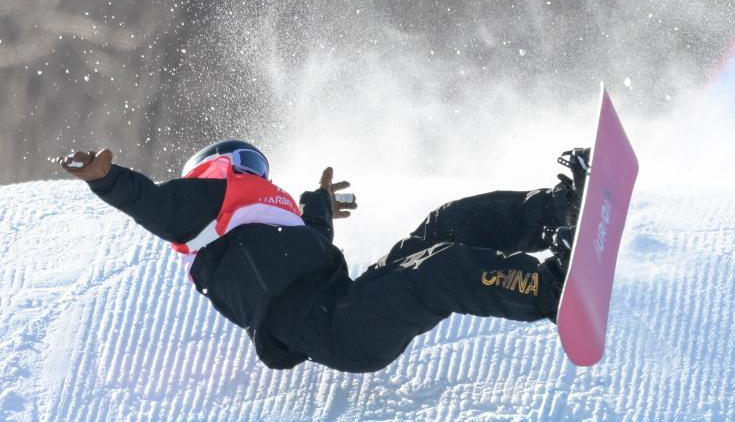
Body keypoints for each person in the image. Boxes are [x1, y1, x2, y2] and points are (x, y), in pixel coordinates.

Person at [58, 140, 589, 373]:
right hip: (336, 329)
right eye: (244, 161)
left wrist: (318, 203)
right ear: (217, 165)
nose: (255, 171)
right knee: (440, 268)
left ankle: (559, 209)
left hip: (347, 302)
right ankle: (550, 290)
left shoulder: (267, 210)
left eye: (257, 163)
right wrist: (108, 180)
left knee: (442, 225)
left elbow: (308, 243)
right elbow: (152, 203)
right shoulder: (203, 203)